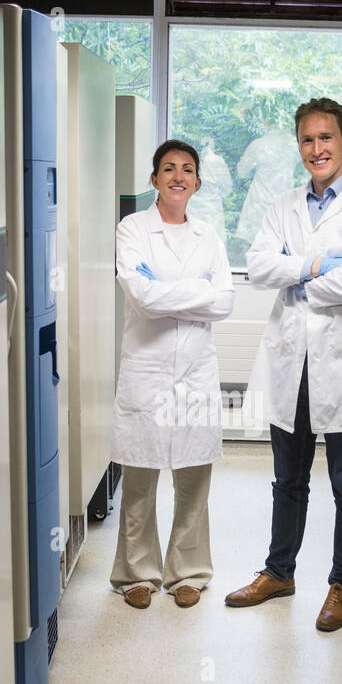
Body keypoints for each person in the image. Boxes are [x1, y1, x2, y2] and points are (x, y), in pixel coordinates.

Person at [225, 98, 342, 631]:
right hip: (289, 362)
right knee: (287, 479)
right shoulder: (283, 205)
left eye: (326, 138)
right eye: (307, 140)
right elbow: (256, 267)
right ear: (299, 147)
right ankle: (280, 572)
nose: (317, 149)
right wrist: (318, 265)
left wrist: (294, 277)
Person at [110, 140, 235, 609]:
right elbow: (141, 297)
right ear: (154, 179)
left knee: (193, 474)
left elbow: (224, 302)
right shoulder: (133, 229)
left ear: (197, 181)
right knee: (140, 474)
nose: (178, 176)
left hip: (195, 369)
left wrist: (169, 290)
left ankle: (187, 572)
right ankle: (136, 573)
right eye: (168, 169)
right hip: (148, 366)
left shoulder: (209, 236)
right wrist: (196, 291)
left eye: (187, 169)